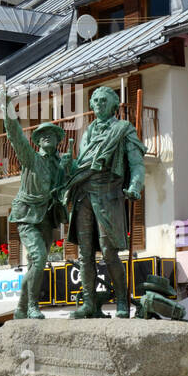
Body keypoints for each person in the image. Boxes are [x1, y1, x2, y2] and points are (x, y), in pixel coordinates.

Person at [63, 85, 146, 318]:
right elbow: (82, 165)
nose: (98, 104)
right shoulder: (88, 132)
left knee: (109, 252)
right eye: (95, 101)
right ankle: (89, 303)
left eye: (103, 100)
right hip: (84, 195)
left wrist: (134, 186)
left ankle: (121, 301)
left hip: (108, 195)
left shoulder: (123, 129)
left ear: (113, 105)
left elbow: (137, 164)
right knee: (85, 254)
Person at [1, 88, 68, 319]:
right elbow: (15, 134)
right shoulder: (30, 158)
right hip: (27, 215)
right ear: (37, 141)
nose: (47, 137)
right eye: (43, 135)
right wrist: (7, 107)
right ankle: (31, 306)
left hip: (47, 218)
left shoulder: (61, 164)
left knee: (35, 265)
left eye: (52, 134)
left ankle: (20, 307)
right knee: (39, 258)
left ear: (59, 140)